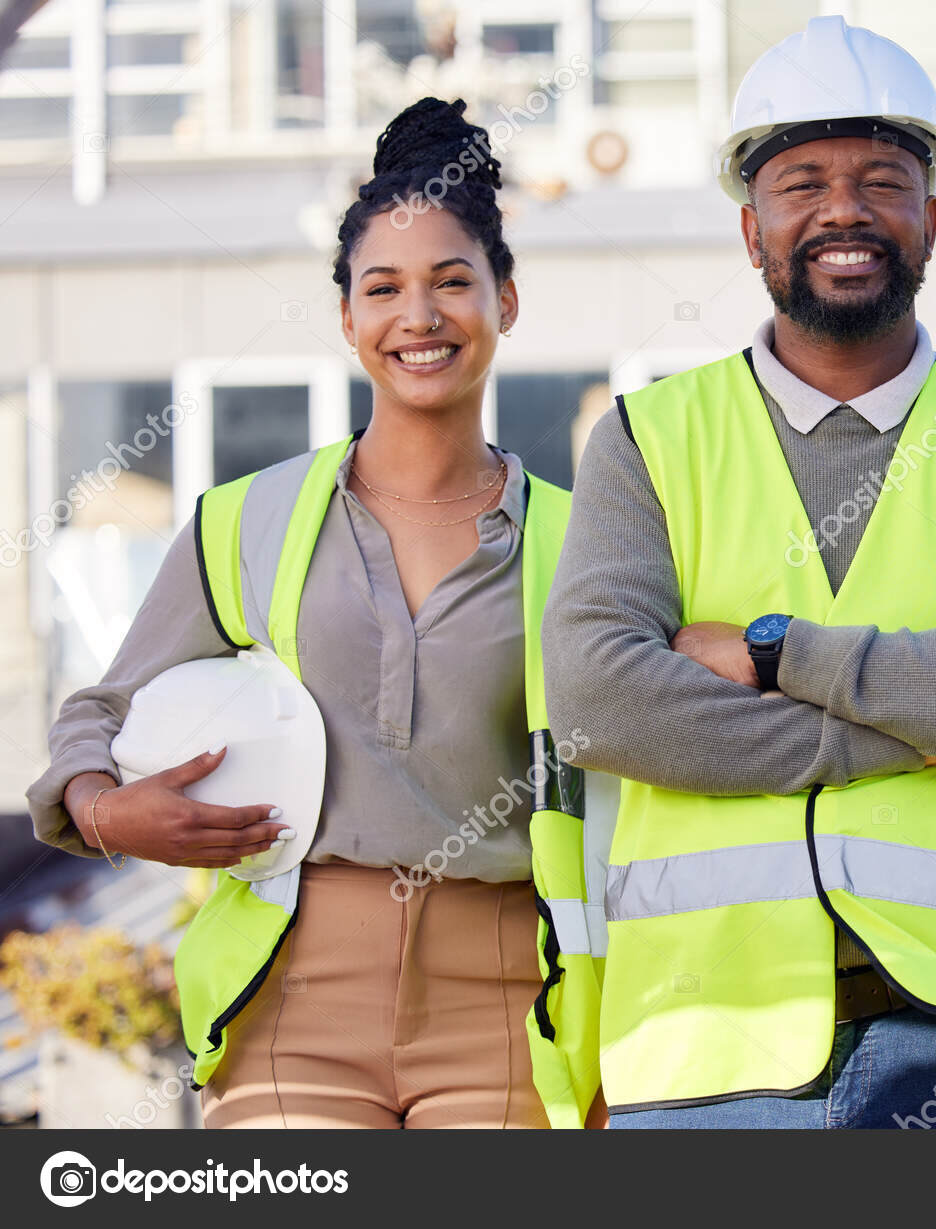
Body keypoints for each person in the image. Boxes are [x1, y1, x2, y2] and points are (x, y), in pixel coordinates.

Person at [540, 16, 936, 1130]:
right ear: (751, 227)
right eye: (802, 182)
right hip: (703, 1040)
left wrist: (771, 654)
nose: (843, 209)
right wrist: (930, 719)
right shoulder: (648, 438)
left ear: (931, 218)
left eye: (881, 180)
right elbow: (598, 699)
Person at [25, 97, 605, 1129]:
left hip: (514, 1004)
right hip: (294, 1006)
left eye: (451, 282)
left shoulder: (585, 542)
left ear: (505, 301)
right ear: (346, 316)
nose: (417, 317)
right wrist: (105, 808)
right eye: (382, 288)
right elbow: (101, 710)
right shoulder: (243, 522)